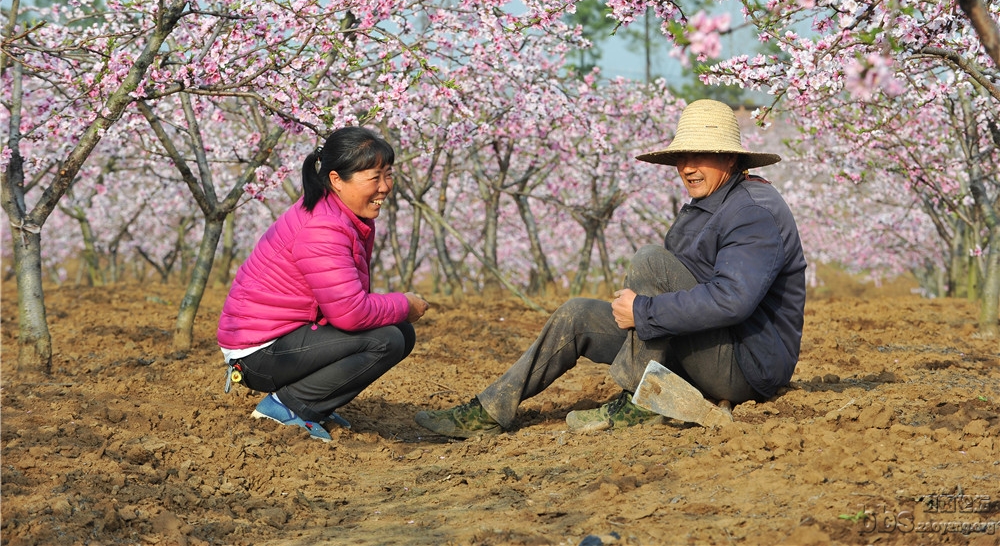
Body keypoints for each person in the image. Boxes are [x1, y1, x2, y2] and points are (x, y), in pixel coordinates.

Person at [415, 99, 806, 437]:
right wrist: (645, 311)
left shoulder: (753, 211)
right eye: (681, 158)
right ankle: (489, 410)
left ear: (729, 157)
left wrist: (643, 311)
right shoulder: (709, 203)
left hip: (745, 367)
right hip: (704, 346)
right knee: (577, 315)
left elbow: (733, 300)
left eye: (699, 155)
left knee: (649, 260)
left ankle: (641, 401)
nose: (687, 168)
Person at [218, 126, 429, 442]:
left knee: (399, 332)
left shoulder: (339, 214)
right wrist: (405, 304)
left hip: (283, 338)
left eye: (389, 174)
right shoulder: (324, 227)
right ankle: (286, 407)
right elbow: (351, 314)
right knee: (387, 339)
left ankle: (311, 405)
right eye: (375, 177)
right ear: (336, 180)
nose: (385, 187)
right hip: (259, 353)